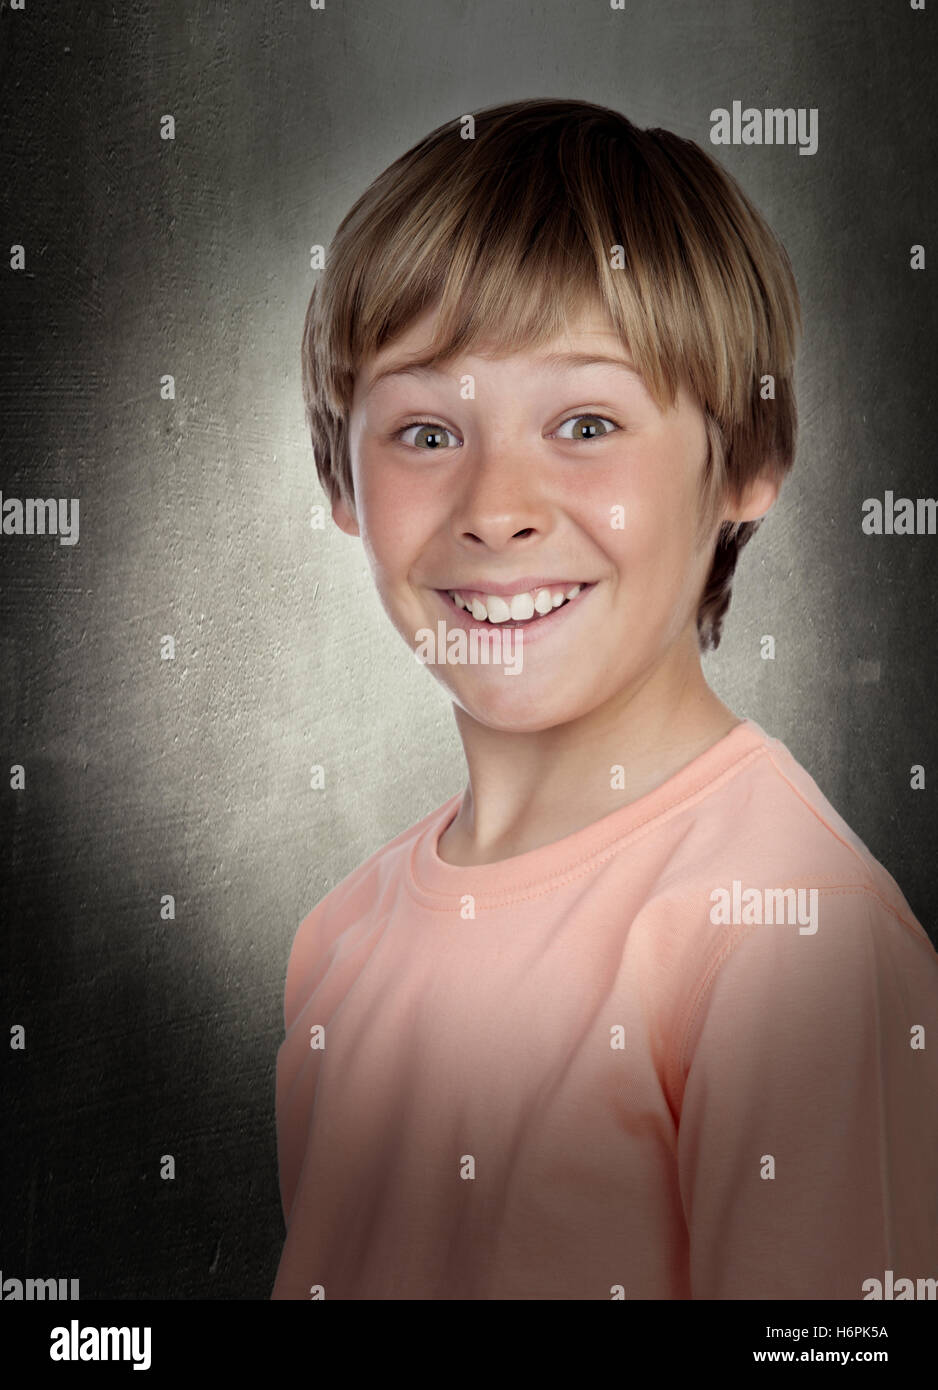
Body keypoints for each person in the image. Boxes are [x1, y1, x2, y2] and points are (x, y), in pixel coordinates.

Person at [271, 98, 938, 1300]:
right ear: (341, 483)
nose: (495, 503)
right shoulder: (338, 940)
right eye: (425, 431)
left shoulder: (791, 942)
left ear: (742, 466)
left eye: (585, 422)